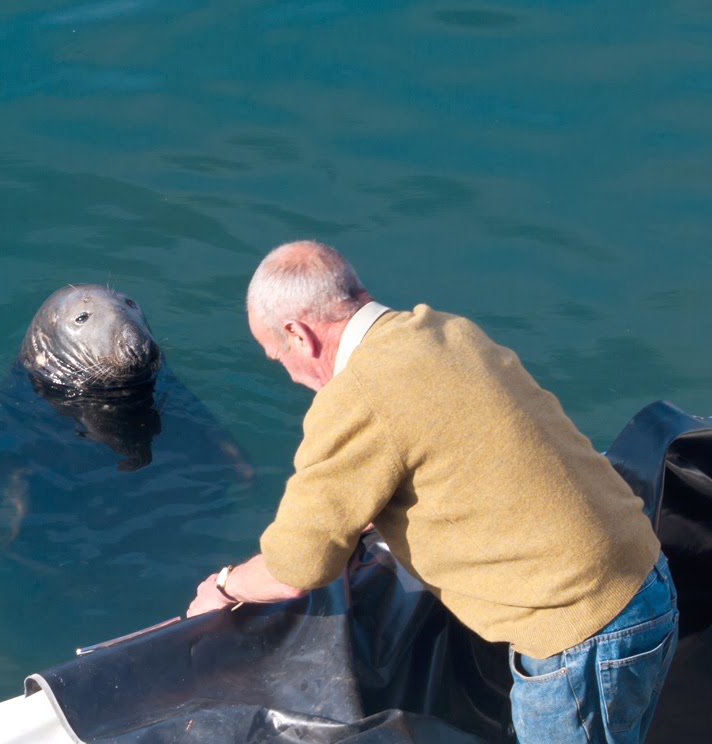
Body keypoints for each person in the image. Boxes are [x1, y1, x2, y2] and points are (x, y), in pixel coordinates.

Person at [187, 240, 679, 743]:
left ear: (298, 333)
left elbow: (298, 567)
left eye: (278, 358)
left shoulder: (359, 394)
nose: (290, 375)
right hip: (646, 579)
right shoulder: (445, 332)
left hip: (580, 631)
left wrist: (223, 587)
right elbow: (469, 451)